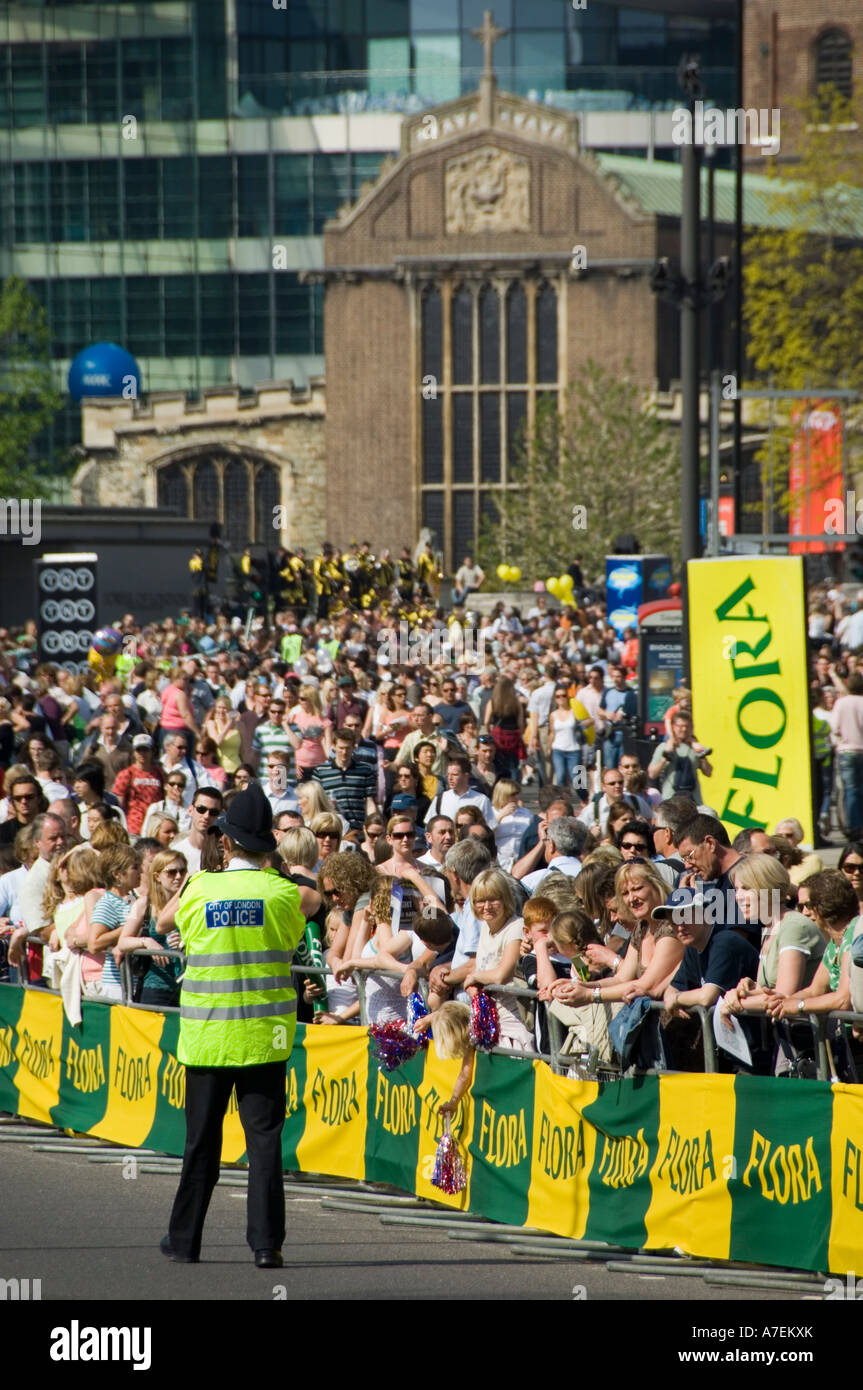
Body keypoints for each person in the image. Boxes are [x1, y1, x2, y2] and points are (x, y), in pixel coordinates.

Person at [160, 782, 306, 1267]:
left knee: (200, 1143)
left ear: (225, 841)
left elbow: (167, 924)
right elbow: (301, 919)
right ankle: (267, 1246)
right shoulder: (284, 894)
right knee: (264, 1144)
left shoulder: (199, 888)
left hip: (207, 1038)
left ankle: (184, 1241)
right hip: (265, 1038)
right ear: (268, 843)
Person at [464, 867, 533, 1051]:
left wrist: (475, 977)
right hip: (487, 1020)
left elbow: (502, 974)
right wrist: (474, 985)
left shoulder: (517, 926)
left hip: (513, 1022)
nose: (486, 906)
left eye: (493, 899)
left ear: (505, 899)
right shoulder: (485, 926)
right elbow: (485, 969)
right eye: (480, 901)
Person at [648, 711, 712, 801]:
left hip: (694, 799)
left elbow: (708, 773)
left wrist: (702, 755)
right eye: (680, 726)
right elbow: (652, 774)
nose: (684, 729)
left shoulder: (695, 747)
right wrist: (665, 757)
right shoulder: (664, 747)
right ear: (673, 727)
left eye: (687, 726)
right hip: (670, 799)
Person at [111, 734, 165, 836]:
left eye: (145, 750)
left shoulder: (160, 773)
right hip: (133, 825)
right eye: (138, 750)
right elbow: (119, 802)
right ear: (133, 752)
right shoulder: (126, 774)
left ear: (152, 751)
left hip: (155, 824)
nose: (142, 753)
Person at [172, 787, 224, 874]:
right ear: (190, 810)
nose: (206, 816)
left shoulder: (224, 854)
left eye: (213, 812)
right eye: (201, 809)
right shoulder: (176, 852)